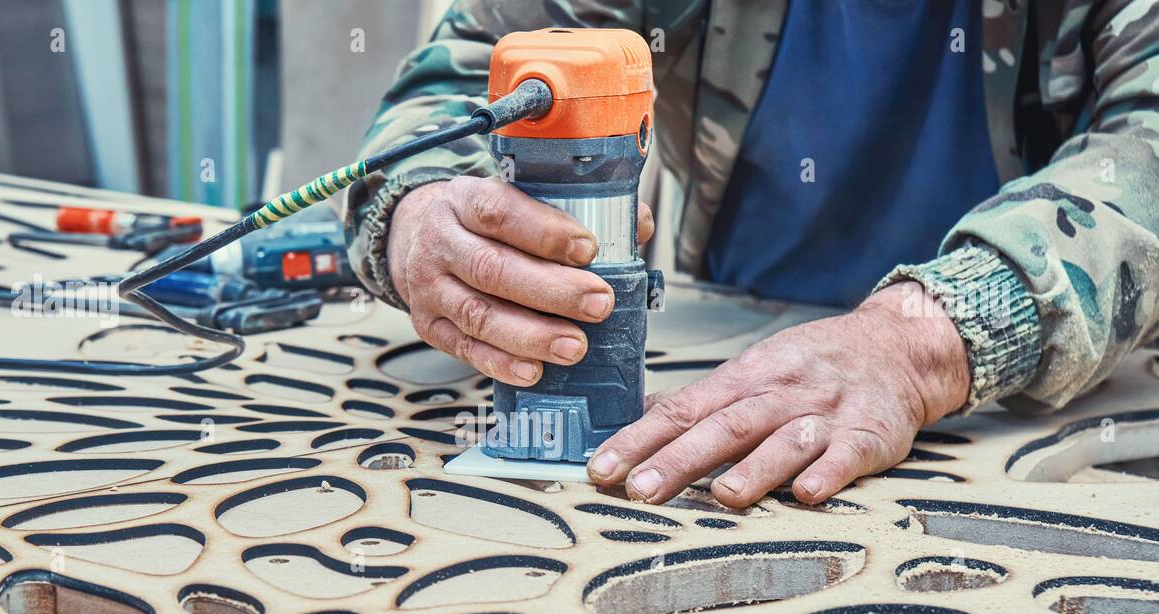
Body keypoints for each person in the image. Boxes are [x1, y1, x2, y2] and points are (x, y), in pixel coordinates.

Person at [345, 0, 1159, 507]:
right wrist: (420, 214)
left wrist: (923, 343)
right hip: (716, 370)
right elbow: (453, 80)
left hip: (1053, 426)